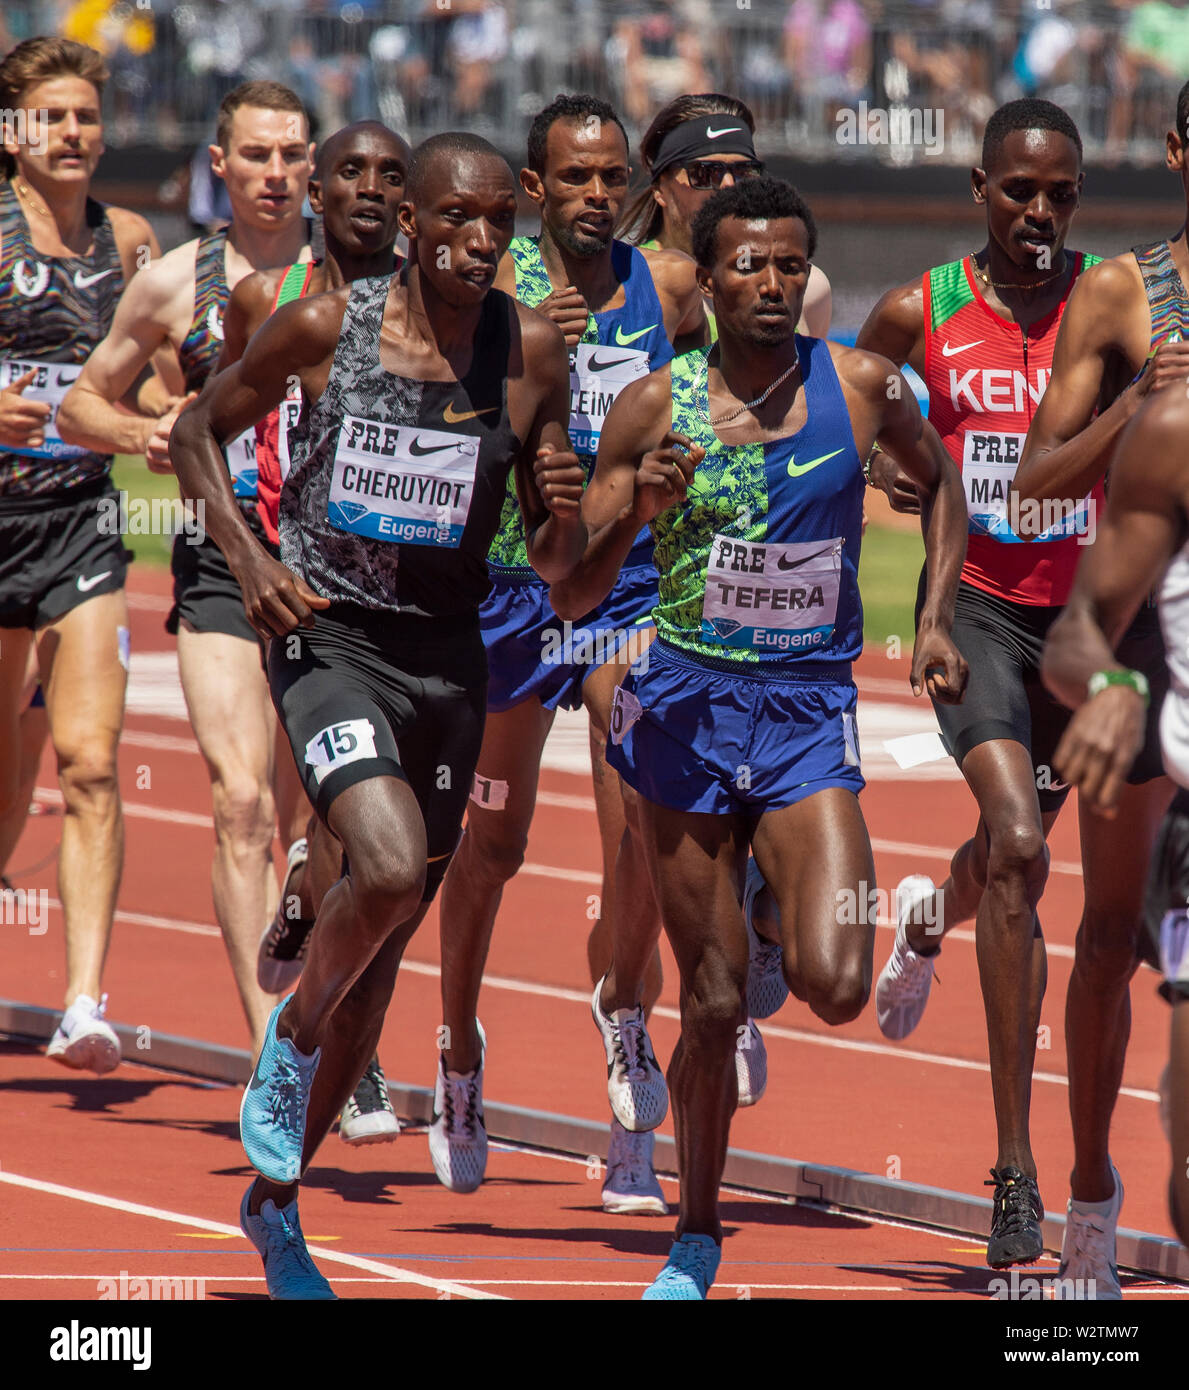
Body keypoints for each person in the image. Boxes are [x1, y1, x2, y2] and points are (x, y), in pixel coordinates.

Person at [170, 131, 586, 1300]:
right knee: (390, 870)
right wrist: (248, 564)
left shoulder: (528, 347)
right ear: (412, 223)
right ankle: (289, 1045)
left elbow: (558, 559)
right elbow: (198, 429)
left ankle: (276, 1208)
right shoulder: (319, 327)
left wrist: (563, 511)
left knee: (382, 954)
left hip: (449, 661)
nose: (480, 240)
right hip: (329, 635)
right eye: (457, 218)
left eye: (500, 222)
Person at [553, 175, 968, 1298]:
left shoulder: (863, 386)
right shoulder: (653, 405)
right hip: (685, 710)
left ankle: (781, 925)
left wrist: (931, 619)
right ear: (708, 273)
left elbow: (946, 490)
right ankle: (693, 1235)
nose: (771, 284)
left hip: (801, 717)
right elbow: (573, 585)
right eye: (748, 264)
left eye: (790, 264)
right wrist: (637, 508)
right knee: (714, 1002)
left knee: (834, 982)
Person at [856, 98, 1123, 1273]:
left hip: (1085, 631)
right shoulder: (922, 308)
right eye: (1019, 191)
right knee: (1019, 843)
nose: (1040, 213)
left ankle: (923, 921)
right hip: (978, 617)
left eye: (1060, 193)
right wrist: (893, 469)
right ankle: (1014, 1167)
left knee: (999, 860)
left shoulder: (1111, 304)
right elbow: (854, 411)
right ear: (978, 187)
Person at [431, 93, 706, 1212]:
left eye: (611, 178)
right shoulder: (488, 293)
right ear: (535, 190)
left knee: (637, 824)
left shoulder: (669, 288)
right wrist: (518, 359)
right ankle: (456, 1048)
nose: (597, 195)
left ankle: (627, 1045)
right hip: (505, 589)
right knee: (489, 848)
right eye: (574, 179)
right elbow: (427, 422)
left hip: (618, 585)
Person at [58, 80, 315, 1055]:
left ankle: (324, 997)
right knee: (240, 801)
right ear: (221, 164)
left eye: (293, 156)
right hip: (220, 555)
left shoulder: (358, 280)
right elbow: (83, 403)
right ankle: (275, 1060)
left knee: (310, 826)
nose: (276, 174)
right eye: (257, 156)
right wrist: (146, 429)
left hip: (333, 563)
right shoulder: (174, 284)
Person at [1006, 82, 1189, 1296]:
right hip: (1140, 659)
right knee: (1111, 935)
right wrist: (1136, 399)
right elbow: (1029, 483)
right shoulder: (1129, 293)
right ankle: (1085, 1192)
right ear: (1179, 147)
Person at [224, 119, 412, 1145]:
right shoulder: (269, 303)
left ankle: (304, 892)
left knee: (355, 837)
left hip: (413, 612)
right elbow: (216, 411)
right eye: (351, 172)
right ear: (317, 191)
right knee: (351, 827)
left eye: (393, 174)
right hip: (300, 594)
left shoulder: (449, 317)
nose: (372, 191)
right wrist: (253, 560)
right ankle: (351, 1055)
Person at [0, 37, 164, 1071]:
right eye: (50, 117)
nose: (71, 134)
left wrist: (166, 417)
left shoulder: (132, 240)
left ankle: (84, 1002)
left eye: (85, 117)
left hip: (84, 526)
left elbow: (140, 377)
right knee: (4, 784)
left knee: (93, 765)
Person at [1037, 383, 1189, 1252]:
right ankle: (1091, 1197)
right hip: (1172, 767)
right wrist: (1110, 687)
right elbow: (1078, 630)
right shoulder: (1172, 429)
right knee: (1106, 938)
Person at [617, 93, 832, 340]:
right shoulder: (627, 284)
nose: (729, 186)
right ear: (660, 190)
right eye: (705, 174)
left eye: (744, 172)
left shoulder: (808, 291)